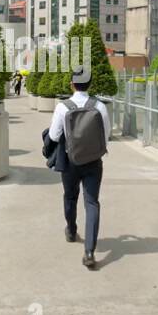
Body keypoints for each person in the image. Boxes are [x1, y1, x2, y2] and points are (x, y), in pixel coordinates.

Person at [48, 67, 110, 270]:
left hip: (70, 160)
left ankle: (72, 230)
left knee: (70, 196)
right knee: (92, 203)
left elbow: (55, 136)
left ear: (71, 84)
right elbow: (106, 135)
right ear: (90, 84)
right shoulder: (99, 106)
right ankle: (89, 252)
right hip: (93, 161)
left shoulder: (62, 107)